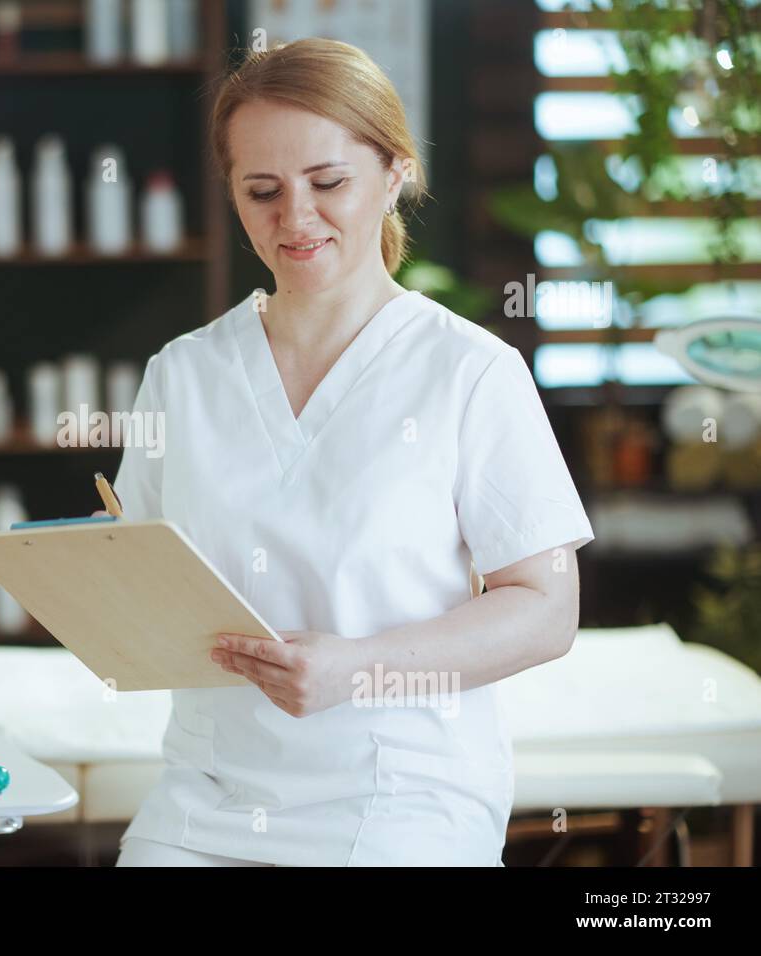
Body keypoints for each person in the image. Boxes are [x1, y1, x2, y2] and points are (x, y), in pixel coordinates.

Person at [107, 38, 595, 867]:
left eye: (328, 183)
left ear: (395, 172)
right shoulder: (183, 373)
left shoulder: (469, 372)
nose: (294, 219)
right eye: (262, 191)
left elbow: (547, 609)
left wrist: (360, 669)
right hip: (210, 791)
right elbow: (138, 572)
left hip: (403, 795)